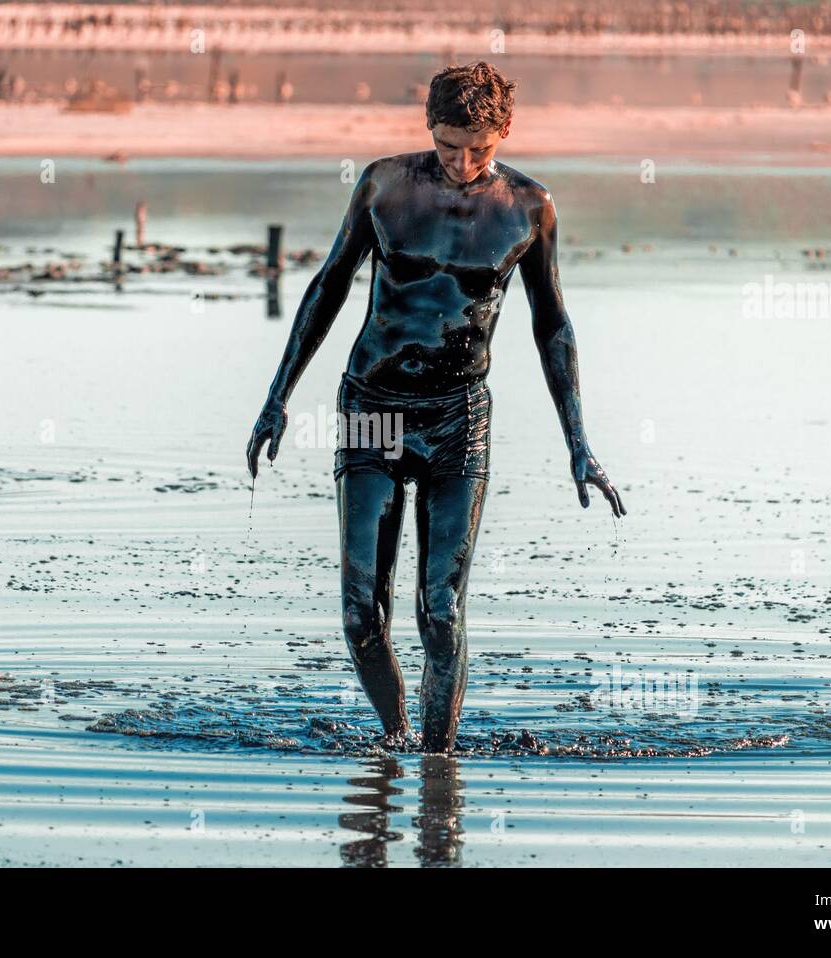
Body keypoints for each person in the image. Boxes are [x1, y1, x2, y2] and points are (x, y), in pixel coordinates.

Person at [246, 61, 625, 753]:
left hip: (458, 419)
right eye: (449, 145)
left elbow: (553, 327)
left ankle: (438, 764)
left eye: (478, 147)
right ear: (429, 127)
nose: (461, 161)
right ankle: (396, 739)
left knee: (442, 612)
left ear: (504, 131)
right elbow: (328, 287)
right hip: (373, 406)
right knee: (362, 610)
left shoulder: (529, 207)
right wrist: (278, 398)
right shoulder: (384, 186)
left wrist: (579, 441)